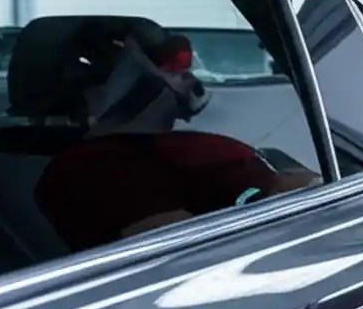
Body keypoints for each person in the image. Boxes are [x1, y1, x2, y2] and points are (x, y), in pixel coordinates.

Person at [35, 22, 320, 252]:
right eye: (172, 68)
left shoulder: (138, 152)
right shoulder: (99, 164)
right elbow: (174, 252)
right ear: (119, 78)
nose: (189, 78)